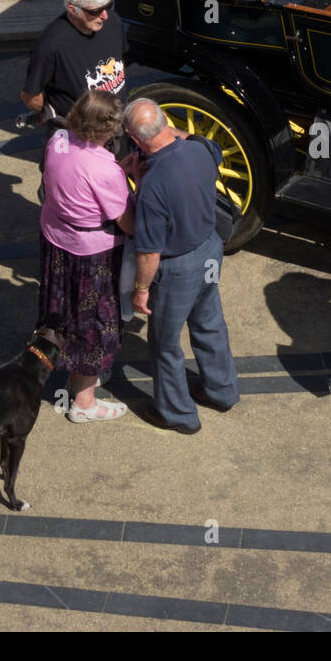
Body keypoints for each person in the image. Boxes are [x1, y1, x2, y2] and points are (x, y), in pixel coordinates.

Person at [124, 98, 238, 433]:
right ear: (165, 123)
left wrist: (140, 290)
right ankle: (222, 391)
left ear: (134, 139)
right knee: (209, 323)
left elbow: (149, 252)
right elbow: (201, 145)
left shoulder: (153, 186)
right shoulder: (199, 150)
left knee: (165, 343)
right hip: (210, 249)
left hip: (177, 270)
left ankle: (177, 414)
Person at [38, 91, 136, 424]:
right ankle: (84, 400)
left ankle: (72, 373)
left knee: (63, 312)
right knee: (93, 325)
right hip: (92, 254)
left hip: (56, 239)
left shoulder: (58, 140)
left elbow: (79, 170)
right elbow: (126, 220)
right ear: (109, 130)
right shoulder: (105, 170)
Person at [21, 0, 126, 122]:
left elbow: (122, 60)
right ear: (72, 9)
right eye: (95, 11)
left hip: (117, 124)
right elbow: (30, 96)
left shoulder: (113, 22)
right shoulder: (50, 46)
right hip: (82, 134)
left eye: (108, 6)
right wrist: (54, 116)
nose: (105, 16)